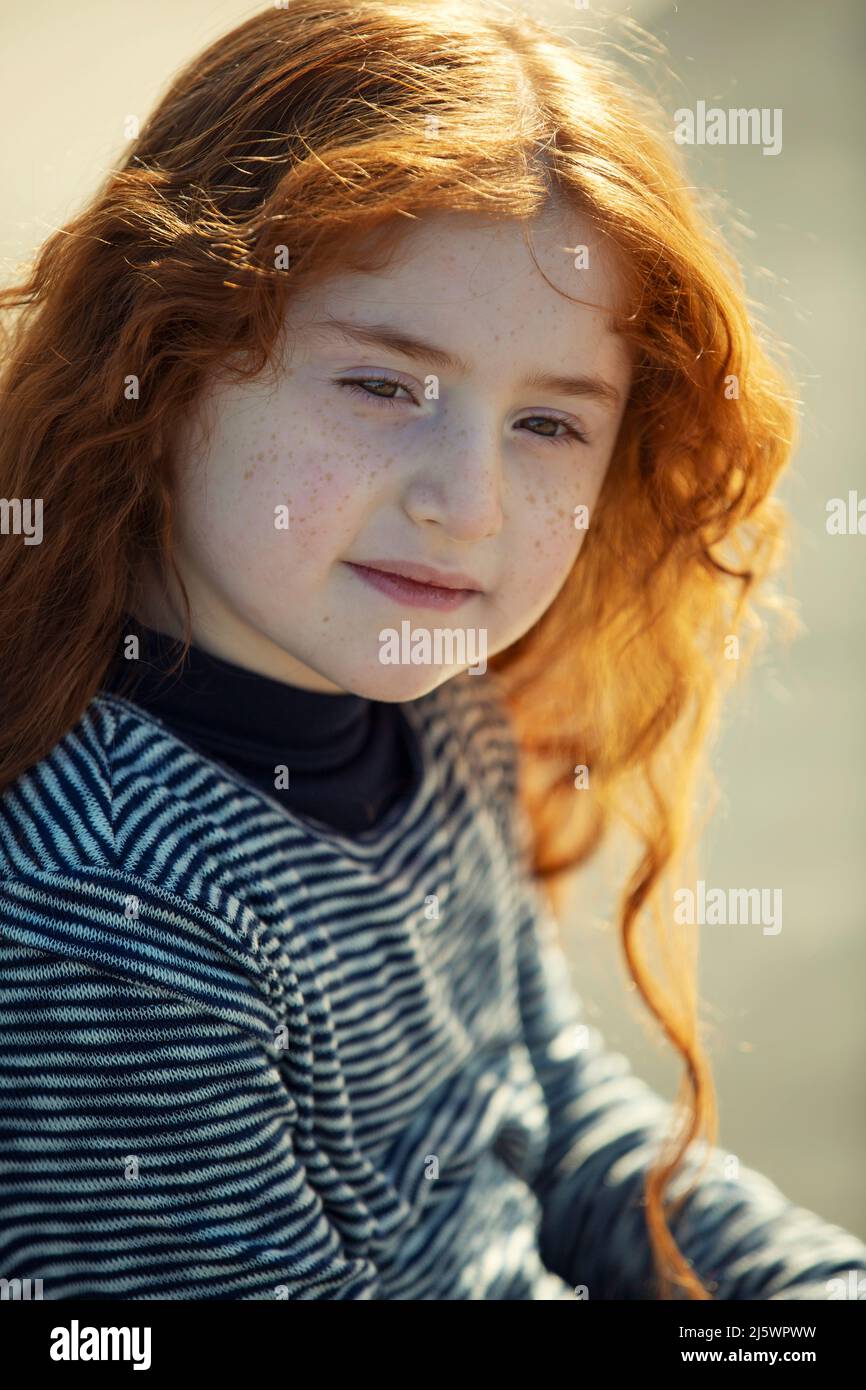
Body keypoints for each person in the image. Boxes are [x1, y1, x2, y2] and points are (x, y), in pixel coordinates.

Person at [0, 0, 863, 1300]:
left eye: (550, 424)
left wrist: (801, 1285)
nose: (470, 502)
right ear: (160, 358)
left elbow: (543, 1106)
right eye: (381, 384)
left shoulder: (440, 705)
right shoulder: (114, 917)